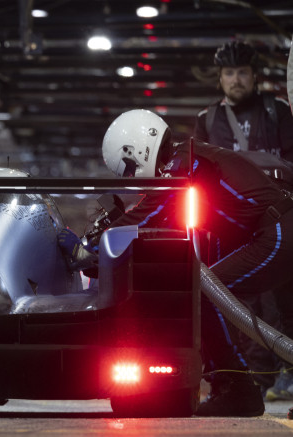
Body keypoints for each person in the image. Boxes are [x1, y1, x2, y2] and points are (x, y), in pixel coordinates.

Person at [61, 109, 293, 416]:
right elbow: (160, 219)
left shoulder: (184, 163)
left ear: (136, 151)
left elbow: (149, 214)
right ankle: (236, 386)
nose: (132, 179)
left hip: (278, 231)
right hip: (278, 227)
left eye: (129, 169)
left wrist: (87, 247)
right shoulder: (186, 160)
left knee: (205, 294)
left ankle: (237, 389)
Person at [194, 40, 293, 401]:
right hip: (232, 226)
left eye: (242, 72)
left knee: (284, 300)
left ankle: (285, 371)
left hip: (277, 218)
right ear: (220, 78)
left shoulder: (277, 111)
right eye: (229, 73)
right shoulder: (208, 120)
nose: (236, 79)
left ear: (254, 75)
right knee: (234, 301)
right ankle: (252, 377)